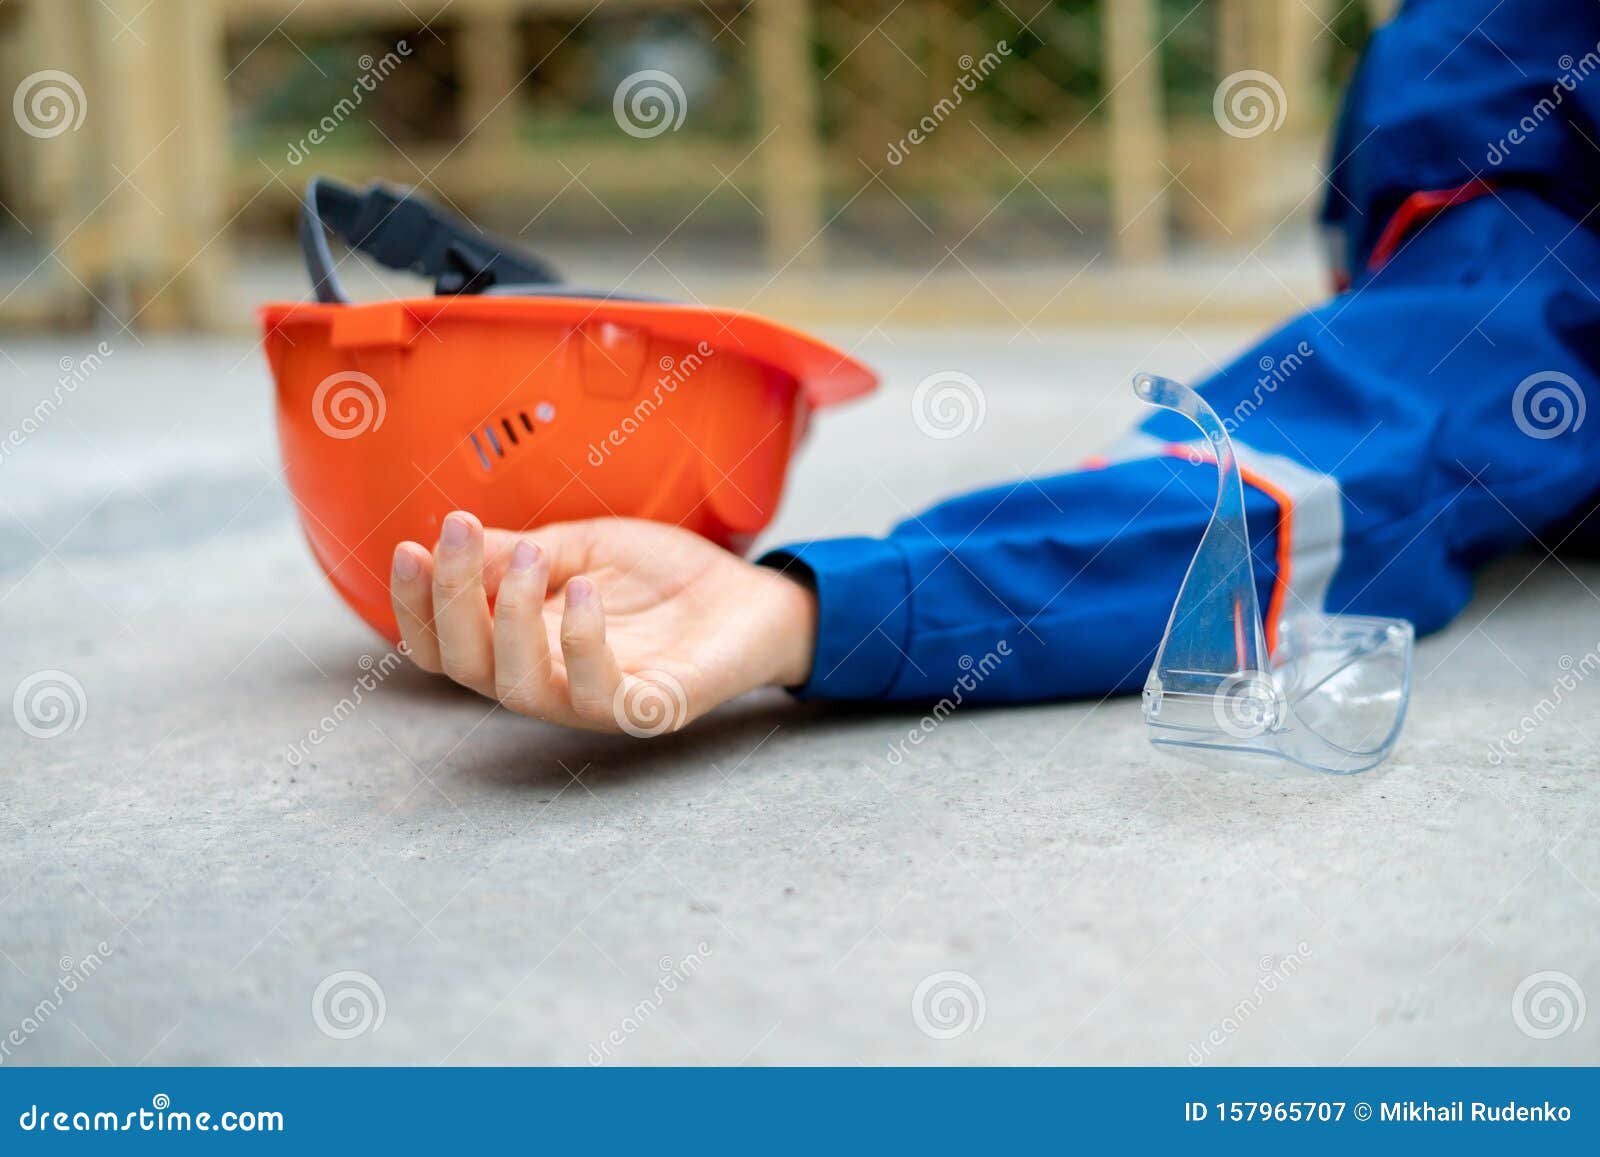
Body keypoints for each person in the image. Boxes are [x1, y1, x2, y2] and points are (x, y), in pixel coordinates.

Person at [388, 0, 1600, 734]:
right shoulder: (1517, 246)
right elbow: (1353, 445)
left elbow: (1347, 452)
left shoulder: (1512, 243)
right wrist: (811, 607)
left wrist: (813, 608)